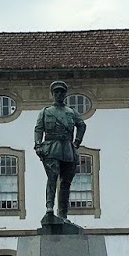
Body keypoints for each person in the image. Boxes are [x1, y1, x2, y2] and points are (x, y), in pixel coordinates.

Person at [32, 80, 86, 224]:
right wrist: (38, 145)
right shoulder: (45, 112)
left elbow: (81, 125)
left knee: (66, 182)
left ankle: (63, 213)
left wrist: (77, 142)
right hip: (51, 147)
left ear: (65, 94)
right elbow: (38, 129)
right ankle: (49, 208)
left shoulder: (71, 112)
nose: (59, 94)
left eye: (61, 92)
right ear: (52, 94)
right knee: (52, 177)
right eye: (56, 92)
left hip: (67, 148)